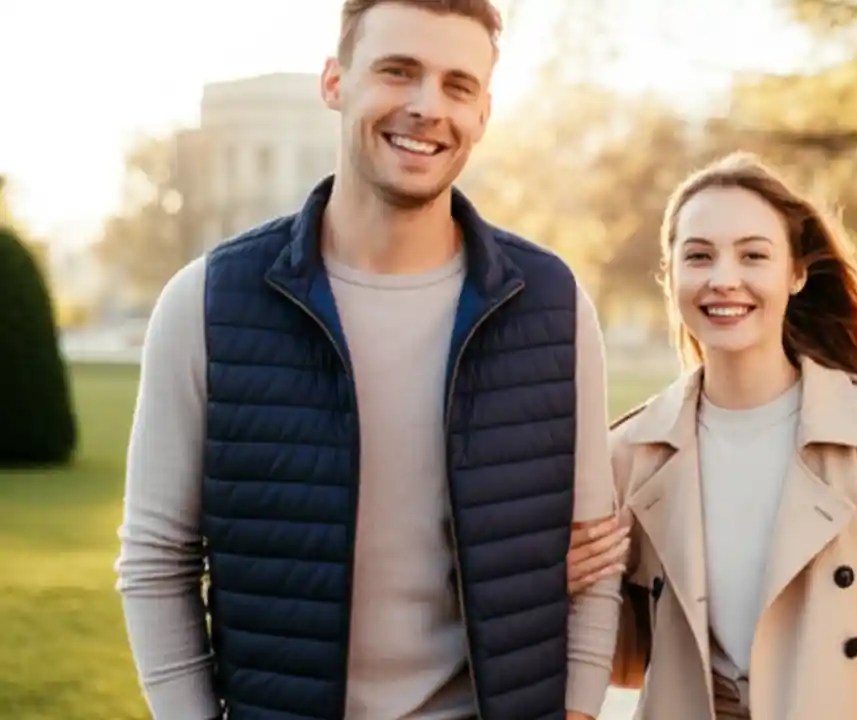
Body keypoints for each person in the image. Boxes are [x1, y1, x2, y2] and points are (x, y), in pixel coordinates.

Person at [114, 2, 621, 719]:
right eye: (398, 71)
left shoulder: (550, 303)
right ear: (335, 81)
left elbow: (591, 563)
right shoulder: (204, 301)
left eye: (457, 85)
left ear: (483, 113)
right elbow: (157, 562)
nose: (426, 107)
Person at [570, 153, 857, 718]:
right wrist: (559, 582)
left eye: (753, 255)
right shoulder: (630, 453)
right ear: (669, 274)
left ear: (796, 274)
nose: (724, 279)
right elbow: (617, 653)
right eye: (698, 256)